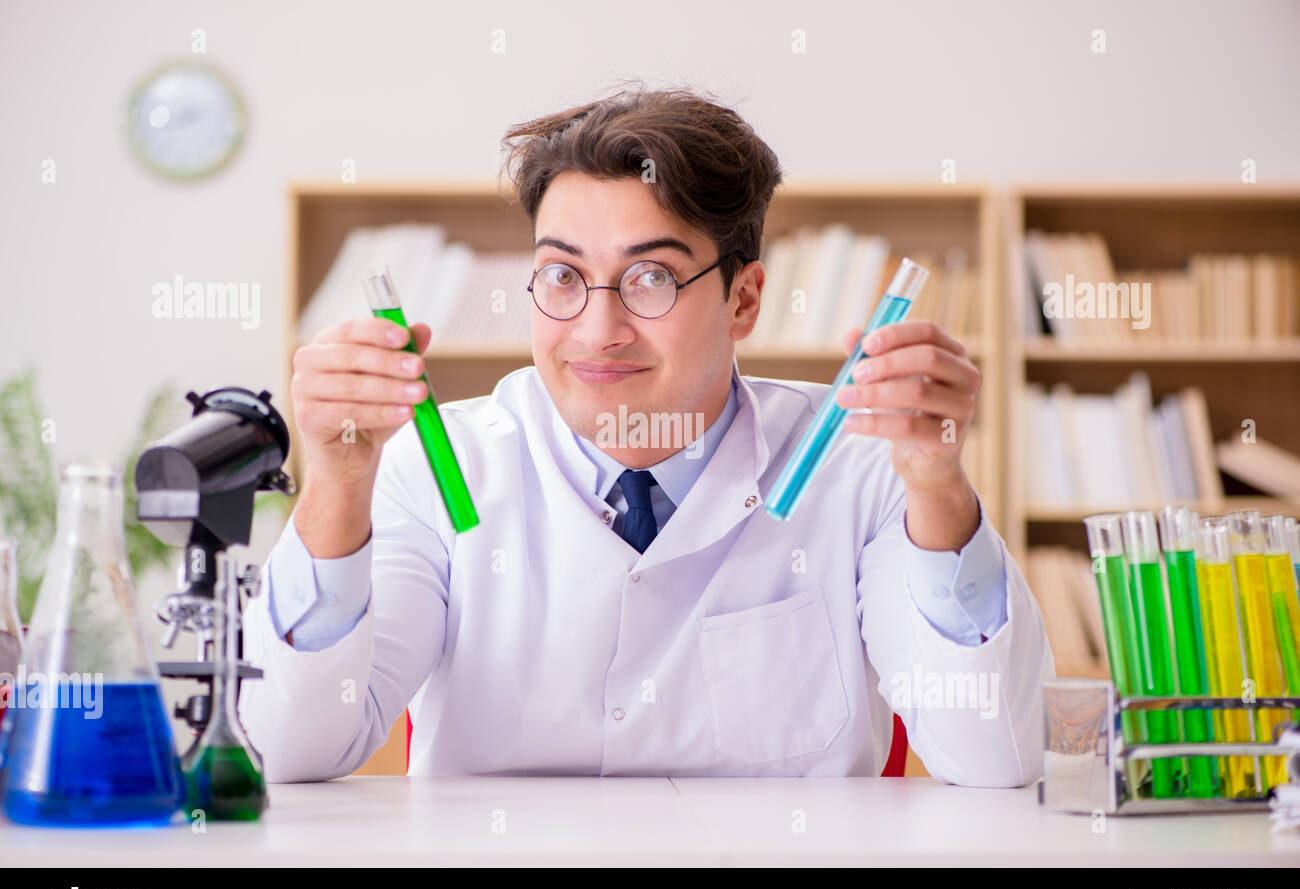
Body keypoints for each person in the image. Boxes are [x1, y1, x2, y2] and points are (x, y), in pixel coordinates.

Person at [239, 84, 1054, 784]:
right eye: (562, 275)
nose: (597, 329)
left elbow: (998, 754)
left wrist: (940, 487)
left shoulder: (857, 465)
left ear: (744, 300)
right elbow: (289, 748)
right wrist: (338, 486)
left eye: (651, 277)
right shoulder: (438, 464)